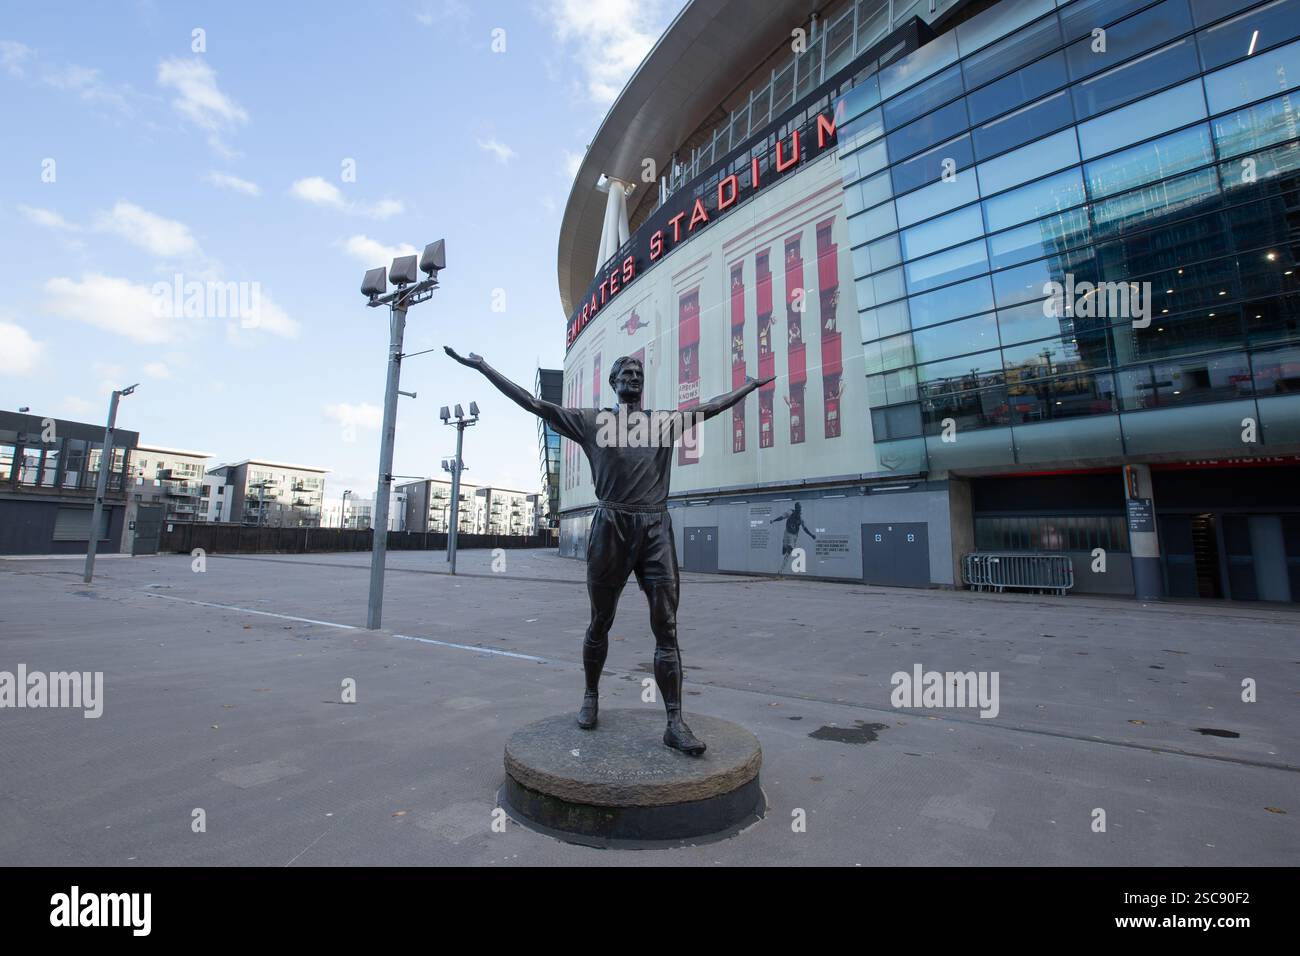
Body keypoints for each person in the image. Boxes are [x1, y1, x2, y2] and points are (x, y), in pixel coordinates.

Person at [445, 346, 771, 755]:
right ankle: (591, 695)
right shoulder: (591, 421)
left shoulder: (662, 423)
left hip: (654, 526)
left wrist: (747, 387)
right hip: (611, 527)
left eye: (638, 374)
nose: (633, 378)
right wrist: (485, 367)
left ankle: (674, 721)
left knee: (666, 625)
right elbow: (534, 403)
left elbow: (711, 407)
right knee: (600, 621)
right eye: (626, 374)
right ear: (614, 383)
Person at [771, 501, 816, 576]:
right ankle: (784, 546)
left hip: (794, 536)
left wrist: (811, 535)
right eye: (798, 508)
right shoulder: (790, 512)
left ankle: (780, 570)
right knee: (783, 551)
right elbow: (782, 517)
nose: (799, 510)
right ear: (795, 508)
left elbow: (805, 529)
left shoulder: (801, 518)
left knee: (789, 551)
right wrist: (773, 520)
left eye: (800, 508)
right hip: (787, 533)